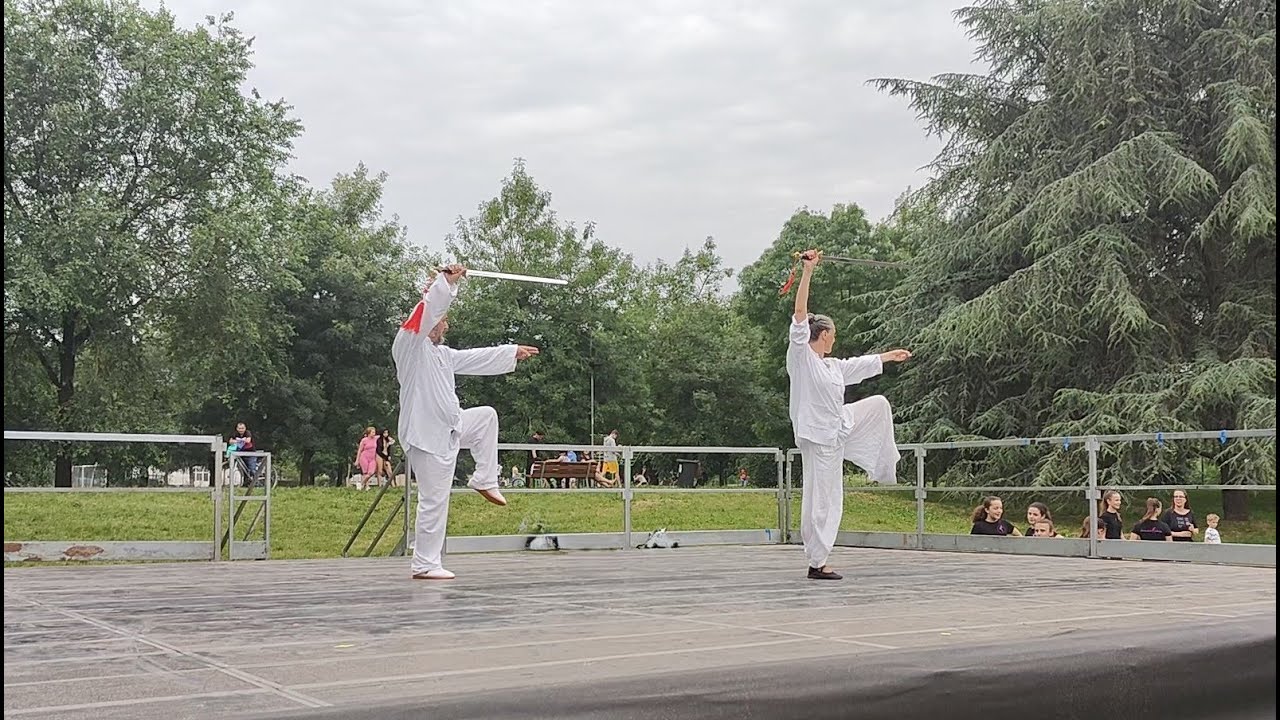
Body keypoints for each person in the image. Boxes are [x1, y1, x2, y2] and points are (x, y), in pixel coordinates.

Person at [393, 264, 539, 580]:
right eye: (436, 319)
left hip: (450, 429)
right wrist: (445, 283)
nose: (439, 325)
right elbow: (427, 311)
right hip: (425, 437)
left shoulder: (443, 355)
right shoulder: (408, 347)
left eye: (442, 322)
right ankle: (425, 563)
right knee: (434, 500)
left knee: (486, 417)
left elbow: (476, 358)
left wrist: (512, 352)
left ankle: (485, 478)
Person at [787, 249, 912, 580]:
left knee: (878, 404)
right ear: (823, 334)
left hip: (838, 427)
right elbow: (800, 313)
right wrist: (808, 272)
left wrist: (889, 356)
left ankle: (882, 468)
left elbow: (858, 365)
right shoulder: (802, 359)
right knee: (823, 499)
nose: (835, 340)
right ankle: (817, 561)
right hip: (819, 437)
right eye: (833, 335)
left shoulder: (831, 366)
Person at [354, 426, 378, 490]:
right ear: (369, 433)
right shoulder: (364, 440)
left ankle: (361, 483)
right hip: (364, 457)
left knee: (371, 472)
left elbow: (383, 436)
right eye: (373, 432)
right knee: (365, 472)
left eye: (374, 432)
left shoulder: (376, 439)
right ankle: (367, 486)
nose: (374, 433)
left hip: (372, 458)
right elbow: (360, 450)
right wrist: (357, 460)